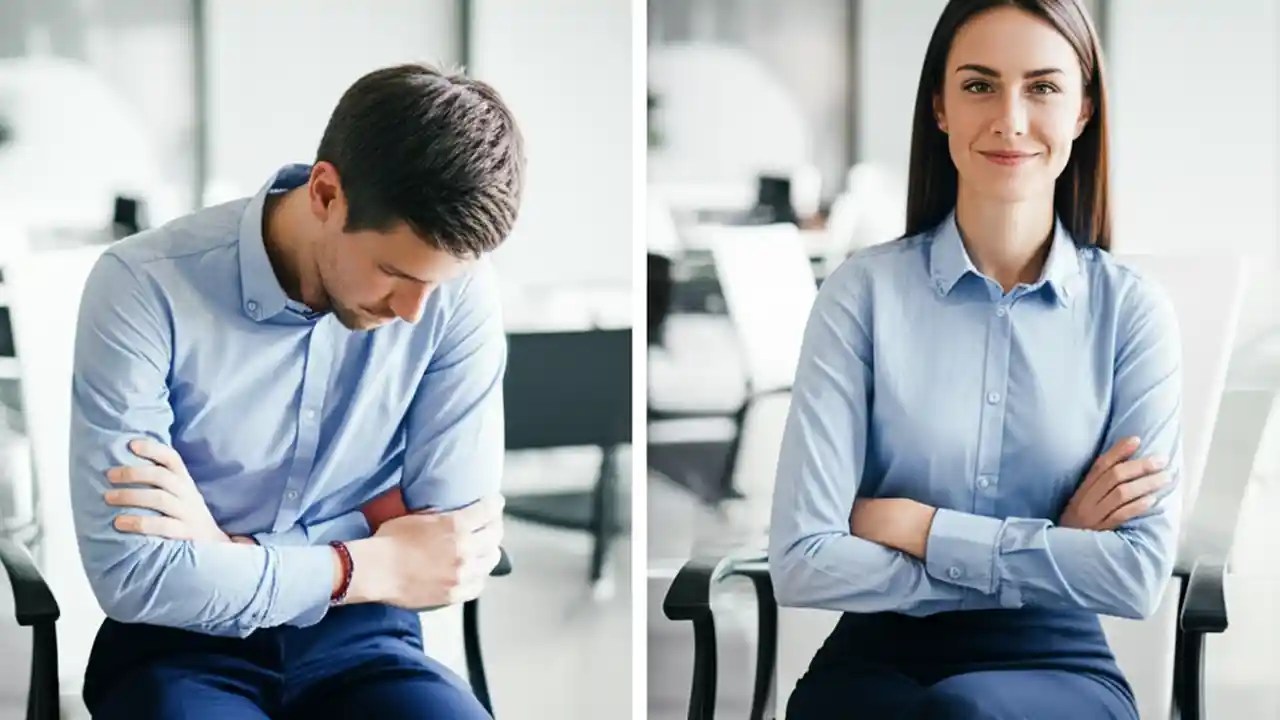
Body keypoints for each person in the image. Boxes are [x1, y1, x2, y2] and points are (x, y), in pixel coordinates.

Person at [70, 63, 524, 719]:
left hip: (364, 643)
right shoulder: (142, 288)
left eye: (439, 283)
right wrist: (367, 556)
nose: (413, 314)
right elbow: (139, 576)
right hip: (178, 647)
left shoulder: (458, 298)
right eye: (393, 273)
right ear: (324, 194)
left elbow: (451, 556)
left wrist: (232, 553)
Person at [768, 1, 1180, 718]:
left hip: (1058, 660)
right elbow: (804, 559)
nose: (1011, 119)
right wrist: (1053, 550)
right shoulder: (860, 295)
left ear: (1084, 111)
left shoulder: (1131, 313)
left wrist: (923, 530)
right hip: (872, 655)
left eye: (1043, 87)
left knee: (967, 713)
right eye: (980, 85)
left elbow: (1136, 575)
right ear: (940, 107)